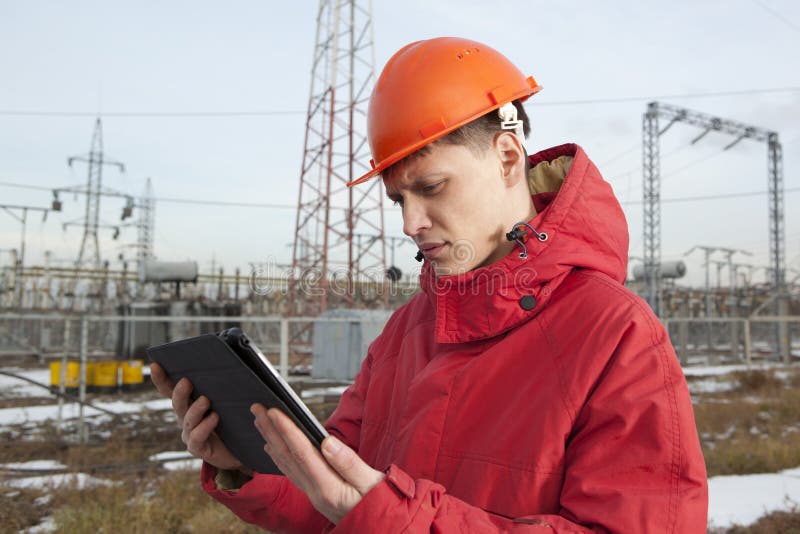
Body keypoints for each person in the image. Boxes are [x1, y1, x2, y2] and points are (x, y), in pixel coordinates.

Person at [151, 36, 708, 532]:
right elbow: (337, 495)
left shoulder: (616, 334)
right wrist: (250, 464)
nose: (410, 223)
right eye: (398, 199)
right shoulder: (405, 332)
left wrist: (388, 517)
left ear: (508, 157)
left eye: (432, 187)